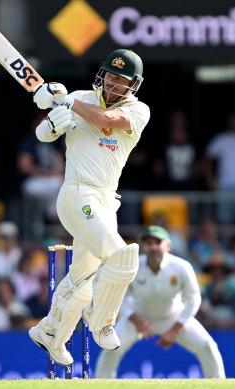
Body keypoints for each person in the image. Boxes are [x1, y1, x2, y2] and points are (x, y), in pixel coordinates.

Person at [28, 48, 150, 366]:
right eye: (109, 74)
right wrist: (51, 118)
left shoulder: (138, 111)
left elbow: (106, 119)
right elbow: (43, 135)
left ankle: (51, 332)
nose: (110, 81)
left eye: (119, 78)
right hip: (77, 194)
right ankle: (102, 321)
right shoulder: (82, 96)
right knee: (122, 256)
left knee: (82, 280)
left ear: (132, 84)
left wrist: (66, 101)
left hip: (106, 201)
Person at [95, 225, 225, 378]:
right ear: (143, 247)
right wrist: (138, 322)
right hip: (138, 317)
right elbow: (119, 298)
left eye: (158, 242)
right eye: (149, 243)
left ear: (168, 246)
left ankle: (218, 384)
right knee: (111, 349)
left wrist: (175, 330)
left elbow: (194, 299)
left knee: (207, 347)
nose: (153, 247)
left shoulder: (181, 267)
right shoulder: (132, 267)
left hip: (173, 318)